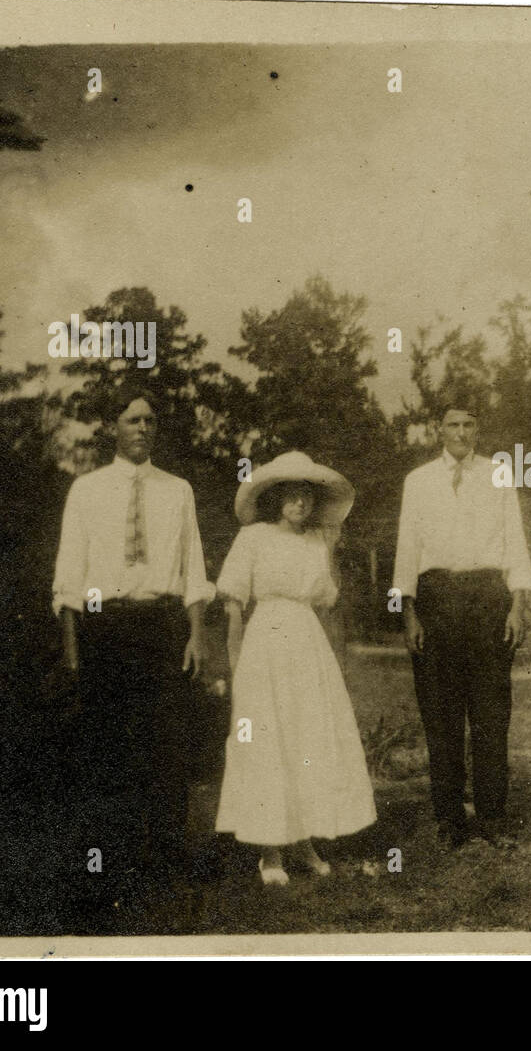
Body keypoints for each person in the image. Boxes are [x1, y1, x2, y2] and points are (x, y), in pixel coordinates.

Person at [51, 381, 213, 910]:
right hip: (105, 628)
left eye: (149, 421)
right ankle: (111, 864)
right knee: (110, 750)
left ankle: (168, 863)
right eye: (133, 420)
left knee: (166, 747)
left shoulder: (178, 489)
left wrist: (195, 633)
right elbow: (70, 575)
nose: (143, 428)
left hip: (163, 626)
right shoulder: (87, 490)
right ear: (112, 429)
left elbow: (193, 568)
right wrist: (74, 651)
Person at [214, 451, 377, 885]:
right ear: (275, 498)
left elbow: (326, 602)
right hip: (266, 640)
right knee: (269, 738)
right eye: (291, 493)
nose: (300, 502)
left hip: (307, 643)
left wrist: (334, 660)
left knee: (307, 738)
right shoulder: (253, 538)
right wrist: (233, 659)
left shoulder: (316, 545)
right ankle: (270, 853)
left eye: (307, 495)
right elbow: (234, 603)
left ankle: (303, 841)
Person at [393, 403, 531, 850]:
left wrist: (518, 605)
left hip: (488, 599)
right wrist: (408, 613)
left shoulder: (498, 473)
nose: (460, 432)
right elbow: (406, 550)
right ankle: (450, 821)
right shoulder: (418, 482)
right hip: (436, 599)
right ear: (439, 431)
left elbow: (515, 541)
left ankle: (493, 820)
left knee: (491, 717)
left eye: (468, 425)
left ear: (477, 429)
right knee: (442, 718)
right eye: (452, 424)